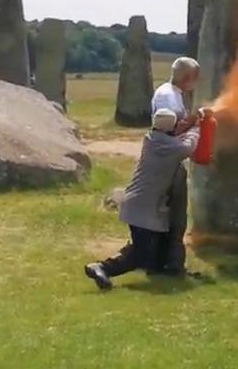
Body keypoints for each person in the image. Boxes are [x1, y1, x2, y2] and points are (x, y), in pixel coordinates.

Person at [84, 109, 200, 290]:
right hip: (143, 208)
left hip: (140, 206)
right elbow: (188, 147)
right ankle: (102, 267)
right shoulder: (171, 147)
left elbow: (175, 140)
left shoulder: (153, 139)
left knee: (149, 247)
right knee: (141, 253)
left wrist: (187, 125)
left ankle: (161, 269)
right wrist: (197, 128)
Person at [151, 56, 204, 275]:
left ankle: (162, 262)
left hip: (169, 160)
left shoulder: (171, 94)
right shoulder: (168, 97)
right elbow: (170, 130)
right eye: (194, 77)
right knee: (176, 217)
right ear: (187, 76)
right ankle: (172, 265)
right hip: (168, 163)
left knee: (169, 215)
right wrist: (195, 121)